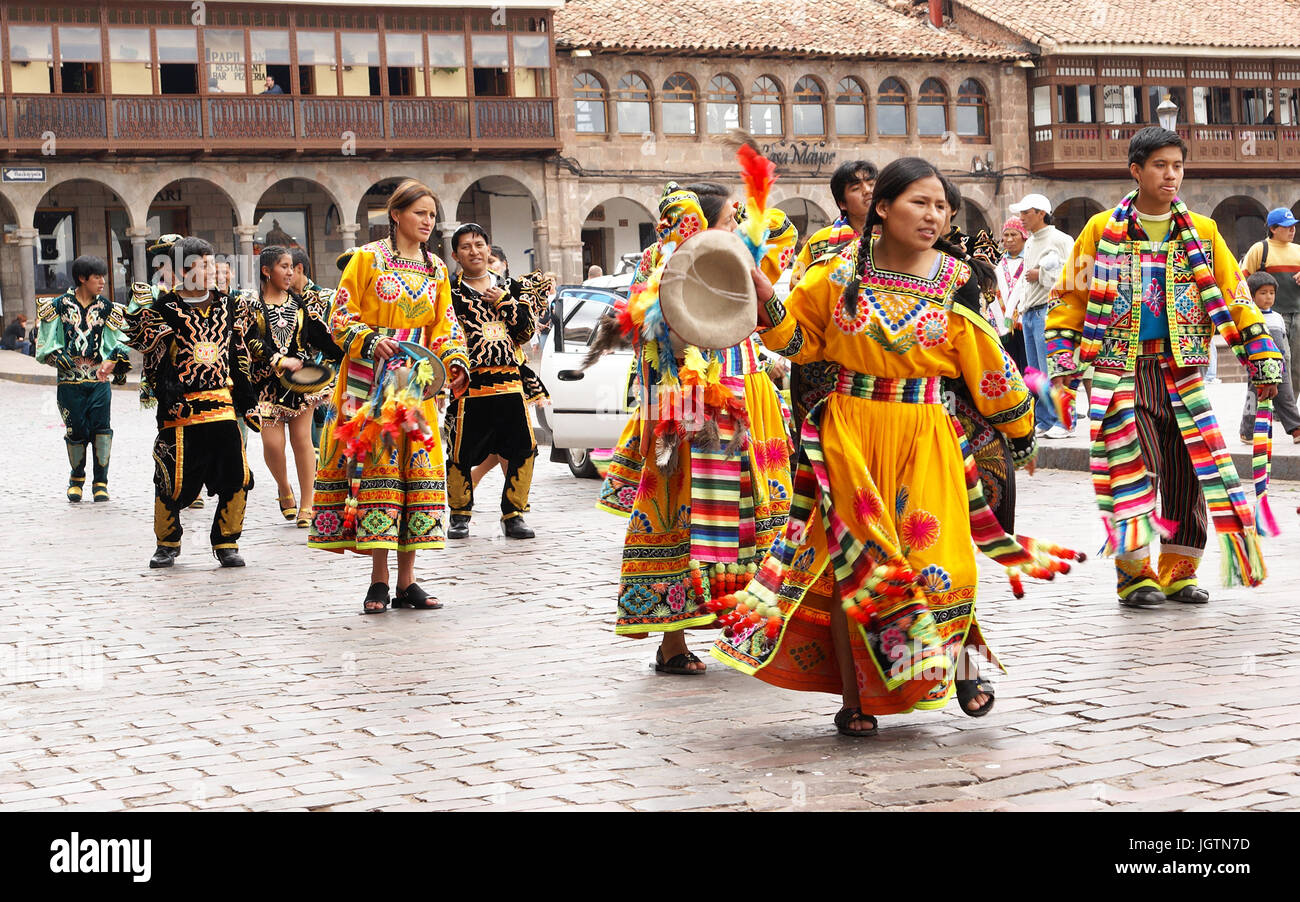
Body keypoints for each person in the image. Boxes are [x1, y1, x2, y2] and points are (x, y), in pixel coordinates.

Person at [712, 157, 1065, 737]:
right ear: (882, 208)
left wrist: (1019, 426)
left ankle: (961, 662)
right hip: (849, 434)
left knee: (941, 566)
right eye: (919, 203)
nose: (933, 216)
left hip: (926, 431)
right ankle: (857, 700)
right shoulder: (835, 273)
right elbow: (800, 341)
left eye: (942, 206)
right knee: (862, 569)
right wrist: (766, 297)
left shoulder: (957, 280)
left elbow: (987, 364)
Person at [1047, 126, 1281, 608]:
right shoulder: (1100, 230)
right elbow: (1070, 295)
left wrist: (1261, 355)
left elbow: (1235, 296)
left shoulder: (1202, 230)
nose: (1171, 174)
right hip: (1121, 370)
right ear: (1136, 171)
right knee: (1133, 470)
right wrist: (1063, 356)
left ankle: (1178, 573)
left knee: (1188, 470)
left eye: (1177, 165)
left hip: (1184, 370)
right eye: (1160, 165)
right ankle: (1134, 576)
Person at [606, 178, 798, 675]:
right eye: (729, 217)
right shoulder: (662, 264)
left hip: (748, 393)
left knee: (760, 517)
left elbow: (781, 236)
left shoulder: (739, 259)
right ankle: (671, 640)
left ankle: (749, 627)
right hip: (690, 401)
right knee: (678, 516)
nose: (737, 224)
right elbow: (651, 337)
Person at [308, 180, 470, 613]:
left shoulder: (437, 268)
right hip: (369, 380)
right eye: (420, 213)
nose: (428, 222)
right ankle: (378, 580)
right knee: (377, 470)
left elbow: (446, 324)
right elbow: (339, 315)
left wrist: (452, 360)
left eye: (432, 215)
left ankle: (407, 580)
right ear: (395, 215)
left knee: (414, 473)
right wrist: (368, 338)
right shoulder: (366, 260)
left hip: (414, 386)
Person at [123, 237, 261, 568]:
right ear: (184, 270)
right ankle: (167, 542)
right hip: (181, 410)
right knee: (171, 479)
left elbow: (237, 357)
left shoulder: (229, 306)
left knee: (238, 475)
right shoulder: (163, 309)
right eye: (203, 264)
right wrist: (165, 395)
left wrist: (248, 401)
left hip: (222, 406)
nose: (211, 270)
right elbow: (152, 361)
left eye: (212, 263)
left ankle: (227, 541)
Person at [445, 224, 540, 540]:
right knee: (461, 452)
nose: (474, 251)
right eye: (466, 246)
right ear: (457, 254)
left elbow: (525, 333)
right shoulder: (450, 292)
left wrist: (505, 302)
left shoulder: (512, 287)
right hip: (470, 386)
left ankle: (514, 514)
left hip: (510, 384)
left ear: (488, 249)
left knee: (524, 448)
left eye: (479, 244)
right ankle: (459, 515)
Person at [240, 246, 342, 527]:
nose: (289, 272)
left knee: (302, 441)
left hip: (300, 383)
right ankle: (284, 487)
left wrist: (348, 353)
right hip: (265, 384)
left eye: (291, 267)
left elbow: (321, 337)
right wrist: (277, 359)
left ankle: (308, 503)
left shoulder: (299, 304)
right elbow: (249, 339)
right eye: (283, 267)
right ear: (266, 271)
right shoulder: (251, 305)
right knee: (273, 444)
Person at [787, 160, 877, 432]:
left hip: (878, 354)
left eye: (872, 183)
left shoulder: (898, 238)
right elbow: (798, 292)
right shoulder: (823, 242)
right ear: (842, 203)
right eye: (856, 186)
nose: (867, 190)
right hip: (825, 360)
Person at [34, 256, 131, 503]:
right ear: (82, 279)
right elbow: (44, 343)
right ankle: (76, 478)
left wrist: (115, 358)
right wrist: (57, 356)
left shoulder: (108, 308)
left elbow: (121, 341)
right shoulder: (57, 306)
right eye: (96, 277)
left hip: (98, 381)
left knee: (102, 430)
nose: (102, 282)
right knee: (75, 430)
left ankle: (101, 483)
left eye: (103, 277)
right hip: (69, 382)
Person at [1012, 192, 1074, 438]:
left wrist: (1043, 276)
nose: (1022, 218)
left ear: (1041, 213)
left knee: (1055, 369)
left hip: (1050, 311)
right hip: (1030, 312)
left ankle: (1064, 422)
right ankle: (1046, 419)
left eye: (1026, 213)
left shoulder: (1061, 239)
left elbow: (1073, 274)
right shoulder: (1029, 242)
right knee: (1036, 372)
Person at [1240, 208, 1300, 395]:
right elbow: (1242, 282)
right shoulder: (1260, 249)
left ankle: (1288, 407)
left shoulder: (1298, 250)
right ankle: (1278, 406)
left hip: (1297, 313)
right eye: (1287, 226)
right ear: (1273, 228)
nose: (1292, 230)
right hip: (1271, 317)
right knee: (1282, 360)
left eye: (1293, 226)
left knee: (1297, 363)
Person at [1239, 272, 1300, 444]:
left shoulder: (1277, 317)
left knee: (1286, 396)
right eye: (1263, 293)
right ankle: (1247, 431)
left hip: (1279, 365)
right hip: (1257, 366)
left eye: (1271, 293)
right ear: (1252, 295)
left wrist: (1284, 362)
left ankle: (1296, 428)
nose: (1268, 297)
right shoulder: (1249, 316)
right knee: (1255, 397)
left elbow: (1283, 343)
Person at [994, 217, 1029, 372]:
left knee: (1028, 362)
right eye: (1006, 235)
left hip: (1024, 320)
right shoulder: (999, 264)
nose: (1009, 239)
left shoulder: (1030, 259)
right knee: (1011, 364)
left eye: (1013, 234)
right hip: (1005, 324)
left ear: (1023, 236)